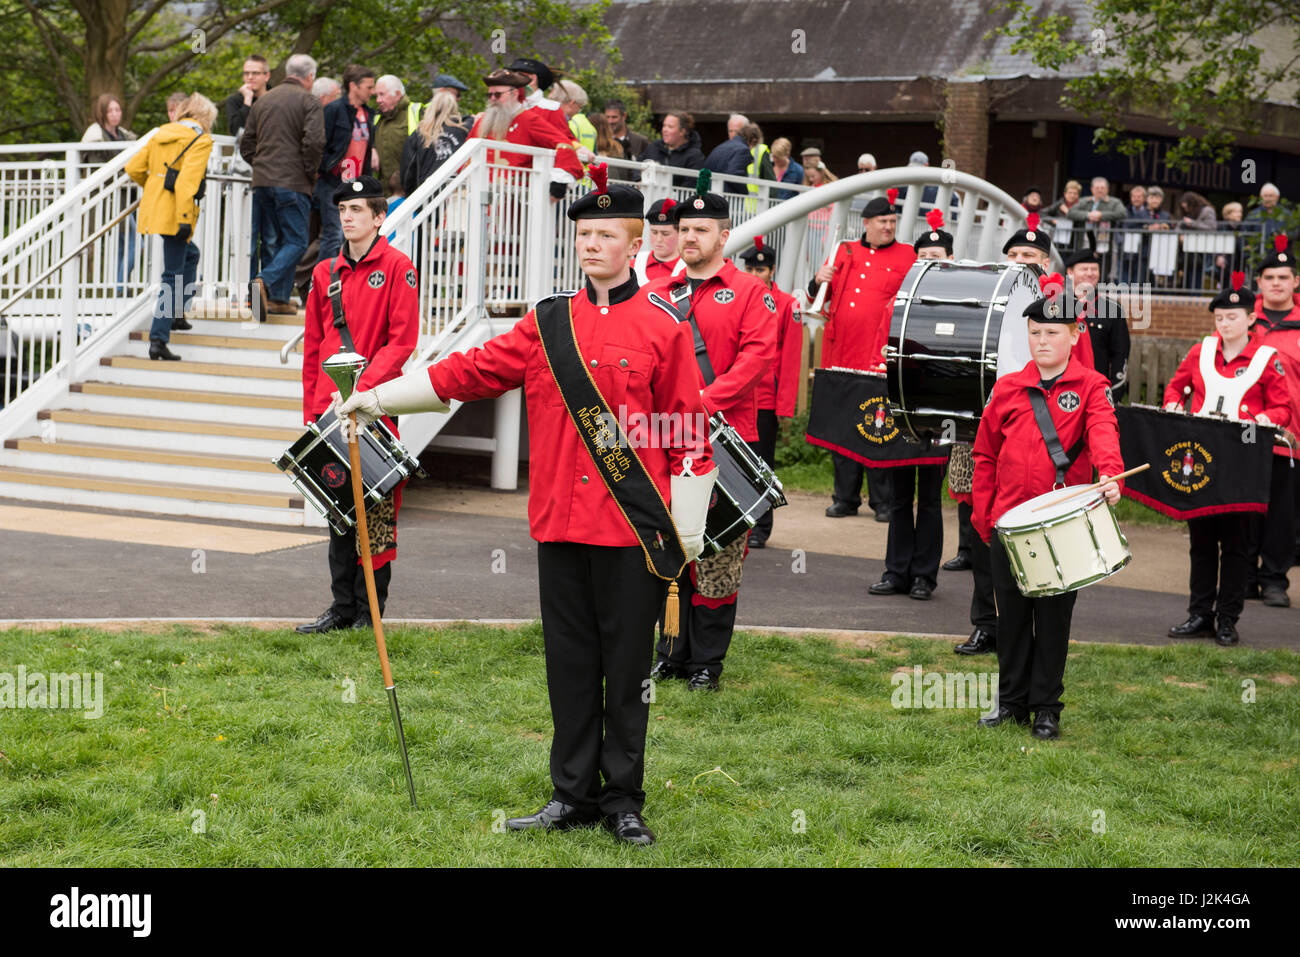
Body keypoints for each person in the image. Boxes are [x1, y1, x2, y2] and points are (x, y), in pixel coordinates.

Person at [337, 171, 716, 847]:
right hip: (559, 524)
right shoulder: (547, 321)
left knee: (627, 670)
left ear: (634, 243)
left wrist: (686, 531)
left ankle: (623, 798)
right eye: (584, 235)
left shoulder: (664, 324)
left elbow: (687, 428)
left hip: (631, 528)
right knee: (569, 664)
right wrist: (382, 397)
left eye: (606, 235)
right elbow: (472, 369)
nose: (592, 245)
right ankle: (571, 793)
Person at [973, 275, 1124, 739]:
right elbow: (985, 454)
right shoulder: (1008, 389)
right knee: (1012, 618)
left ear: (1075, 335)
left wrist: (1109, 472)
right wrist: (985, 518)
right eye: (1035, 332)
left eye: (1052, 332)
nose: (1042, 340)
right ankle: (1011, 704)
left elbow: (1102, 430)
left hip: (1060, 525)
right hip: (1008, 522)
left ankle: (1046, 709)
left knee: (1053, 618)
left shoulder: (1093, 385)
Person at [647, 176, 778, 692]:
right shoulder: (658, 293)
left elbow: (758, 358)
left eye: (701, 230)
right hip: (665, 438)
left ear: (724, 236)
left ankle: (708, 662)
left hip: (725, 439)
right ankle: (672, 653)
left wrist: (704, 402)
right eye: (683, 229)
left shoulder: (750, 292)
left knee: (718, 555)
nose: (689, 238)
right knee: (670, 551)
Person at [295, 175, 418, 635]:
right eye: (343, 209)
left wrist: (360, 392)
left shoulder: (400, 267)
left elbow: (401, 342)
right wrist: (313, 414)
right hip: (331, 411)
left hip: (374, 407)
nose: (347, 217)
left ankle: (371, 612)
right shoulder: (325, 272)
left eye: (358, 210)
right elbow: (313, 348)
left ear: (379, 217)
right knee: (337, 509)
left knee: (377, 511)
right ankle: (341, 608)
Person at [1164, 275, 1291, 645]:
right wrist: (1172, 403)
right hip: (1202, 459)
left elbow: (1282, 405)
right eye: (1219, 318)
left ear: (1251, 319)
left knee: (1236, 545)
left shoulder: (1268, 359)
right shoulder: (1200, 351)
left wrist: (1269, 419)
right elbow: (1176, 385)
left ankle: (1227, 619)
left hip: (1243, 463)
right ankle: (1199, 613)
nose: (1224, 324)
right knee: (1201, 542)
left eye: (1232, 317)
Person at [810, 189, 915, 523]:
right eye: (882, 221)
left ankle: (882, 502)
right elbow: (818, 296)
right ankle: (845, 497)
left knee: (878, 428)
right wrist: (817, 280)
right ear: (866, 222)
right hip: (841, 354)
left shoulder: (907, 255)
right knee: (843, 428)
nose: (888, 227)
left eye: (892, 221)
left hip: (878, 358)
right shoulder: (844, 251)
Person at [869, 209, 952, 599]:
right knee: (899, 495)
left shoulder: (962, 308)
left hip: (939, 415)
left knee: (931, 500)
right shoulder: (895, 306)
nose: (930, 263)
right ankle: (895, 572)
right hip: (901, 413)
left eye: (938, 258)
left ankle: (924, 576)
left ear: (950, 261)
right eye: (923, 258)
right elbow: (876, 361)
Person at [125, 93, 216, 361]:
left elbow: (134, 168)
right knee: (173, 275)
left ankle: (176, 313)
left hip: (158, 210)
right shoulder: (201, 140)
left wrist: (155, 188)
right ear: (203, 117)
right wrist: (186, 220)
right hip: (178, 213)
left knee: (191, 255)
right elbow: (187, 183)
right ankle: (158, 338)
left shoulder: (162, 132)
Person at [240, 53, 324, 317]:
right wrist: (309, 173)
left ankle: (277, 298)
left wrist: (262, 165)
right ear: (309, 77)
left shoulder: (263, 101)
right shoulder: (309, 100)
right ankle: (263, 282)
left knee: (271, 241)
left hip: (262, 182)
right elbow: (314, 142)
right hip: (293, 182)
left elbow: (246, 145)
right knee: (297, 242)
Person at [1247, 235, 1300, 608]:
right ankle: (1244, 575)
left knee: (1283, 511)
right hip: (1245, 435)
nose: (1277, 283)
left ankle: (1274, 580)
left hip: (1291, 437)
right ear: (1260, 283)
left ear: (1295, 281)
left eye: (1284, 277)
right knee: (1245, 507)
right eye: (1270, 277)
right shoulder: (1244, 319)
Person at [739, 236, 802, 549]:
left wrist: (784, 407)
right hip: (735, 396)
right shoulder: (735, 298)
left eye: (760, 269)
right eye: (749, 267)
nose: (754, 273)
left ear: (772, 270)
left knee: (762, 464)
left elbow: (790, 360)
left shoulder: (787, 304)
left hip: (764, 398)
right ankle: (739, 521)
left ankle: (762, 526)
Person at [465, 70, 582, 200]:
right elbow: (466, 153)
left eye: (497, 95)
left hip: (514, 198)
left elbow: (564, 144)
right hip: (478, 192)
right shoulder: (483, 121)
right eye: (490, 95)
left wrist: (559, 181)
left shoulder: (529, 120)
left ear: (514, 93)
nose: (492, 99)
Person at [316, 64, 377, 265]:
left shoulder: (368, 114)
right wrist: (324, 168)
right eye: (368, 87)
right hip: (333, 182)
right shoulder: (334, 110)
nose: (373, 91)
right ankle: (322, 285)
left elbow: (367, 151)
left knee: (350, 236)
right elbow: (320, 144)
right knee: (333, 233)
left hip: (356, 184)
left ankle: (343, 285)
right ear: (353, 86)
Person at [82, 93, 139, 290]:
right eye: (110, 110)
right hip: (108, 198)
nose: (115, 114)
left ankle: (118, 288)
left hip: (126, 196)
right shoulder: (96, 137)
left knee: (124, 244)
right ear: (103, 113)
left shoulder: (124, 135)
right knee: (136, 242)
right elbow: (98, 170)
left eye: (118, 109)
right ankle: (120, 286)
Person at [1066, 249, 1130, 402]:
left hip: (1097, 394)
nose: (1090, 273)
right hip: (1063, 391)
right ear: (1070, 272)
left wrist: (1112, 395)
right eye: (1084, 269)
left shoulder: (1112, 310)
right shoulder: (1059, 307)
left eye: (1094, 269)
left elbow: (1120, 355)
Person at [399, 92, 468, 197]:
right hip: (455, 194)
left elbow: (407, 171)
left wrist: (410, 195)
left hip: (426, 195)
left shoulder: (419, 134)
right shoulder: (463, 132)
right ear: (454, 108)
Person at [1067, 177, 1126, 277]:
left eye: (1102, 188)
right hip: (1085, 242)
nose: (1099, 190)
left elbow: (1122, 213)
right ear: (1092, 189)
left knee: (1102, 272)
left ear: (1107, 189)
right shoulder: (1084, 201)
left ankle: (1099, 291)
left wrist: (1101, 215)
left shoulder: (1114, 202)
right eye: (1097, 187)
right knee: (1084, 269)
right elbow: (1071, 213)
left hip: (1104, 243)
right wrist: (1087, 215)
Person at [373, 75, 414, 195]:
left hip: (410, 195)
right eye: (377, 95)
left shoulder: (416, 113)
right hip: (383, 195)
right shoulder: (377, 118)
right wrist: (372, 147)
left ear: (397, 94)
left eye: (382, 94)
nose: (378, 100)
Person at [640, 110, 706, 184]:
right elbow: (636, 166)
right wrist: (638, 181)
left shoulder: (695, 156)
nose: (664, 130)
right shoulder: (653, 147)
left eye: (670, 127)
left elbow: (691, 184)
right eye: (664, 125)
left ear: (682, 132)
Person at [703, 113, 752, 194]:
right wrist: (746, 193)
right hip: (726, 198)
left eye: (737, 131)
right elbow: (734, 175)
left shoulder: (718, 148)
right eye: (730, 131)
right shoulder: (743, 150)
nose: (733, 134)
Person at [1177, 191, 1216, 289]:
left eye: (1187, 207)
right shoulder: (1187, 214)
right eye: (1184, 208)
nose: (1186, 210)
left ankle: (1195, 297)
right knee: (1187, 278)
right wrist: (1179, 235)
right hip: (1186, 251)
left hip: (1200, 251)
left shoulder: (1207, 211)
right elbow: (1179, 226)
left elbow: (1211, 227)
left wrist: (1192, 223)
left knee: (1196, 277)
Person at [634, 198, 680, 283]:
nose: (659, 239)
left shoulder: (689, 269)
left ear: (680, 233)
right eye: (654, 232)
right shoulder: (635, 263)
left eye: (665, 234)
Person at [550, 79, 597, 161]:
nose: (578, 112)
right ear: (572, 103)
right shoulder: (559, 120)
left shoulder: (540, 111)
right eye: (580, 107)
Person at [223, 55, 270, 137]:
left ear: (266, 76)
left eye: (255, 73)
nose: (250, 77)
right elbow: (236, 132)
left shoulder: (277, 98)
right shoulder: (234, 101)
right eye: (246, 73)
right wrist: (247, 101)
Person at [604, 100, 648, 165]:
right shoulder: (601, 140)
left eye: (614, 117)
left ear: (624, 116)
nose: (610, 121)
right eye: (607, 117)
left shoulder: (640, 142)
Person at [1045, 179, 1082, 253]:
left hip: (1075, 241)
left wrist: (1068, 212)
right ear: (1065, 194)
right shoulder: (1059, 204)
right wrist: (1052, 221)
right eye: (1070, 193)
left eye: (1075, 193)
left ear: (1078, 195)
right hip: (1059, 240)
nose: (1072, 195)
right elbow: (1042, 213)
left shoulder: (1081, 206)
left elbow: (1081, 221)